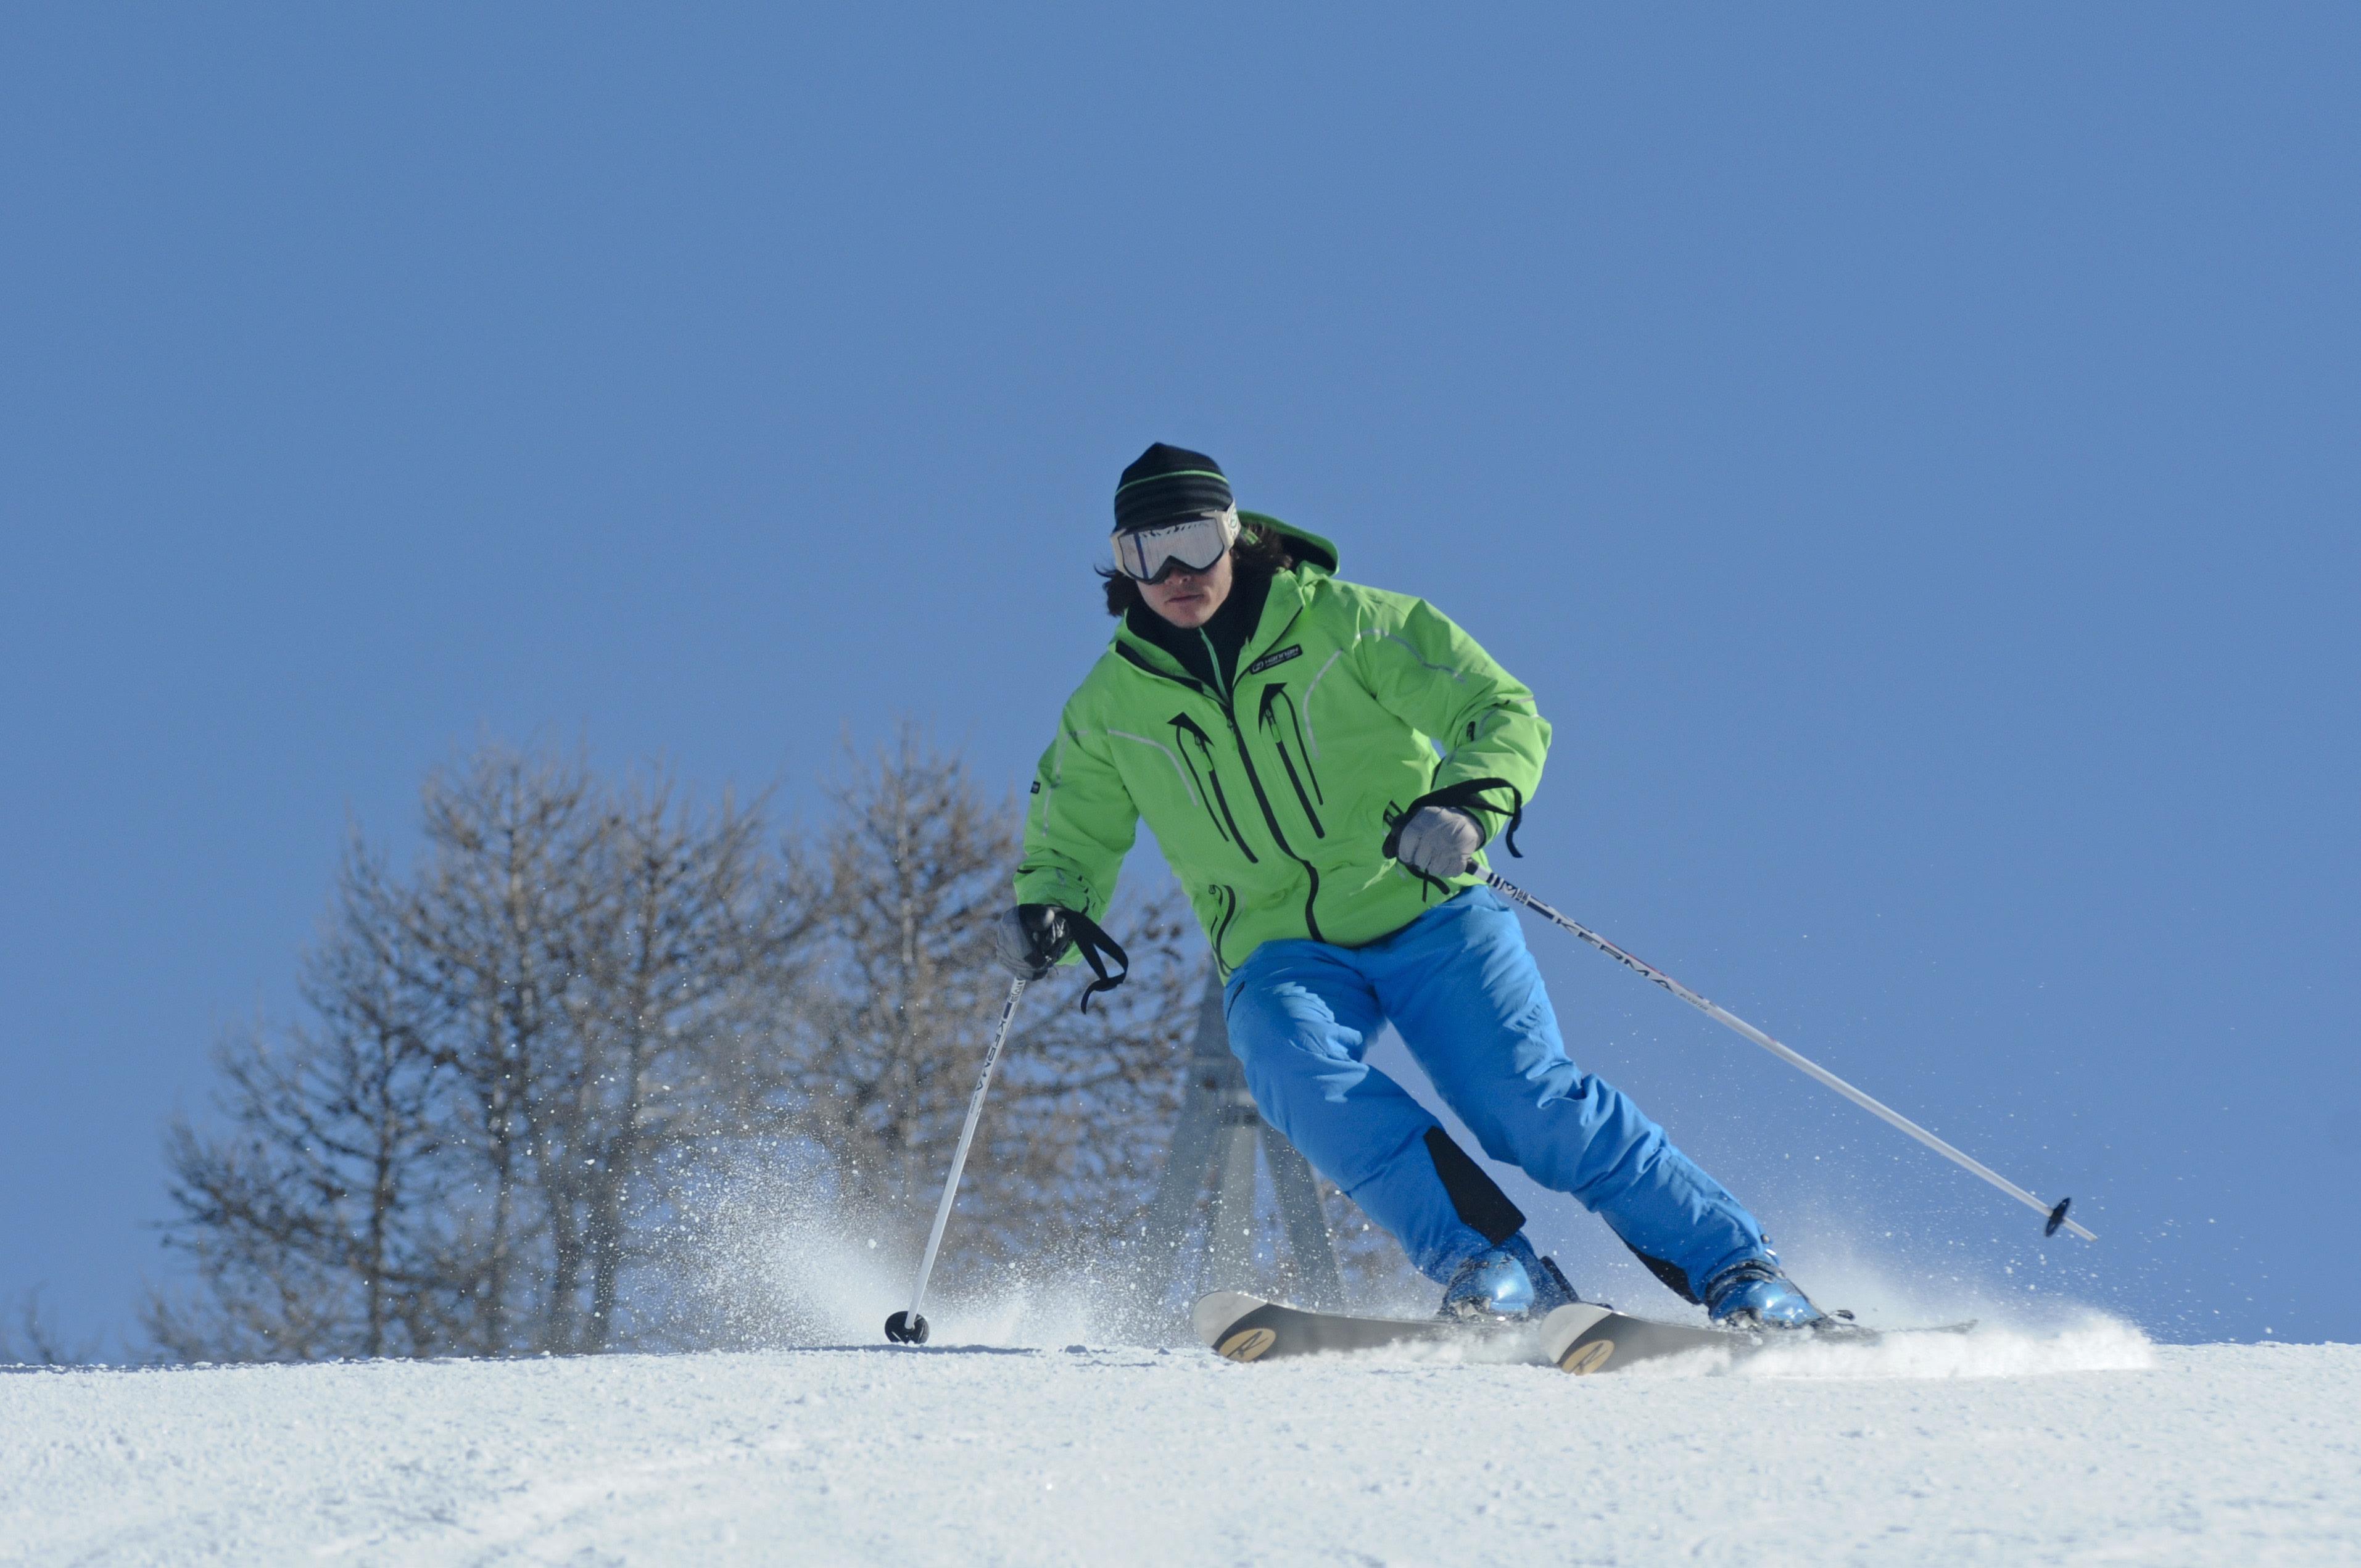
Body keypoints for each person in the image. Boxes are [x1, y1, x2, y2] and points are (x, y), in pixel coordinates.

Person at [991, 442, 1837, 1331]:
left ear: (1234, 533)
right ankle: (1492, 1263)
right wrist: (1052, 899)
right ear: (1120, 564)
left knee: (1522, 1101)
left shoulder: (1348, 625)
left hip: (1428, 911)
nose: (1174, 571)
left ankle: (1738, 1267)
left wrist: (1469, 801)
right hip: (1280, 951)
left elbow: (1499, 707)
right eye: (1144, 551)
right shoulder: (1111, 706)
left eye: (1194, 539)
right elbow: (1073, 823)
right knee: (1291, 1066)